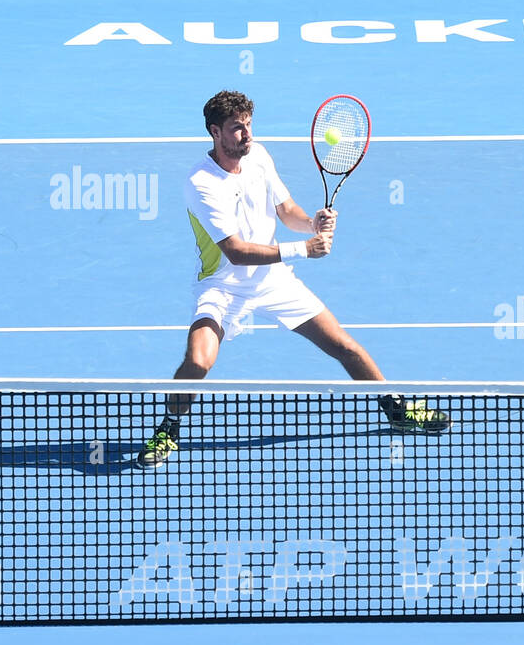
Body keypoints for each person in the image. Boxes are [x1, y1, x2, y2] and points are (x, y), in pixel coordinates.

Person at [137, 90, 447, 469]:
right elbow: (235, 250)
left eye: (249, 125)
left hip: (272, 281)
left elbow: (285, 210)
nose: (246, 135)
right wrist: (304, 249)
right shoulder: (201, 182)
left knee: (345, 347)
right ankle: (169, 428)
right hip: (223, 286)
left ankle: (395, 407)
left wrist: (311, 223)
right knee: (198, 361)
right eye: (237, 128)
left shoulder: (259, 156)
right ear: (215, 132)